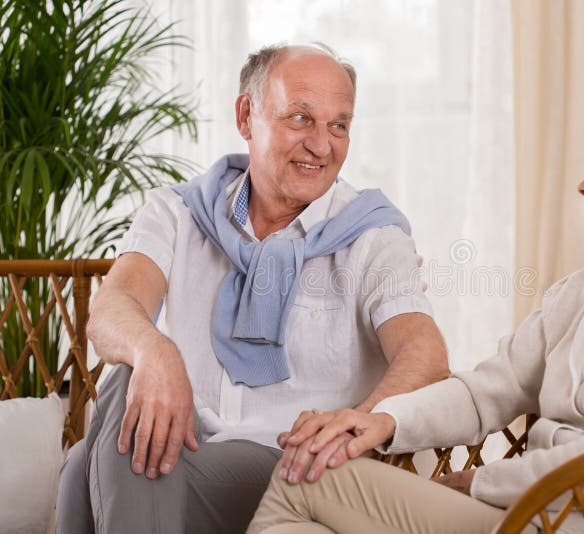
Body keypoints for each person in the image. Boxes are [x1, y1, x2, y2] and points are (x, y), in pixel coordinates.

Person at [247, 89, 584, 534]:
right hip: (525, 513)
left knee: (304, 478)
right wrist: (380, 421)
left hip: (583, 522)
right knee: (306, 510)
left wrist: (479, 481)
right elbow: (486, 392)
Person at [55, 43, 449, 534]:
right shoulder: (179, 212)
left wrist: (358, 419)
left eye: (338, 125)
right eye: (301, 118)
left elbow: (425, 354)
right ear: (246, 115)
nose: (321, 145)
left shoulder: (372, 236)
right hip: (187, 444)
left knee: (84, 468)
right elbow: (113, 308)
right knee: (125, 379)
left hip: (289, 466)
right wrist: (155, 351)